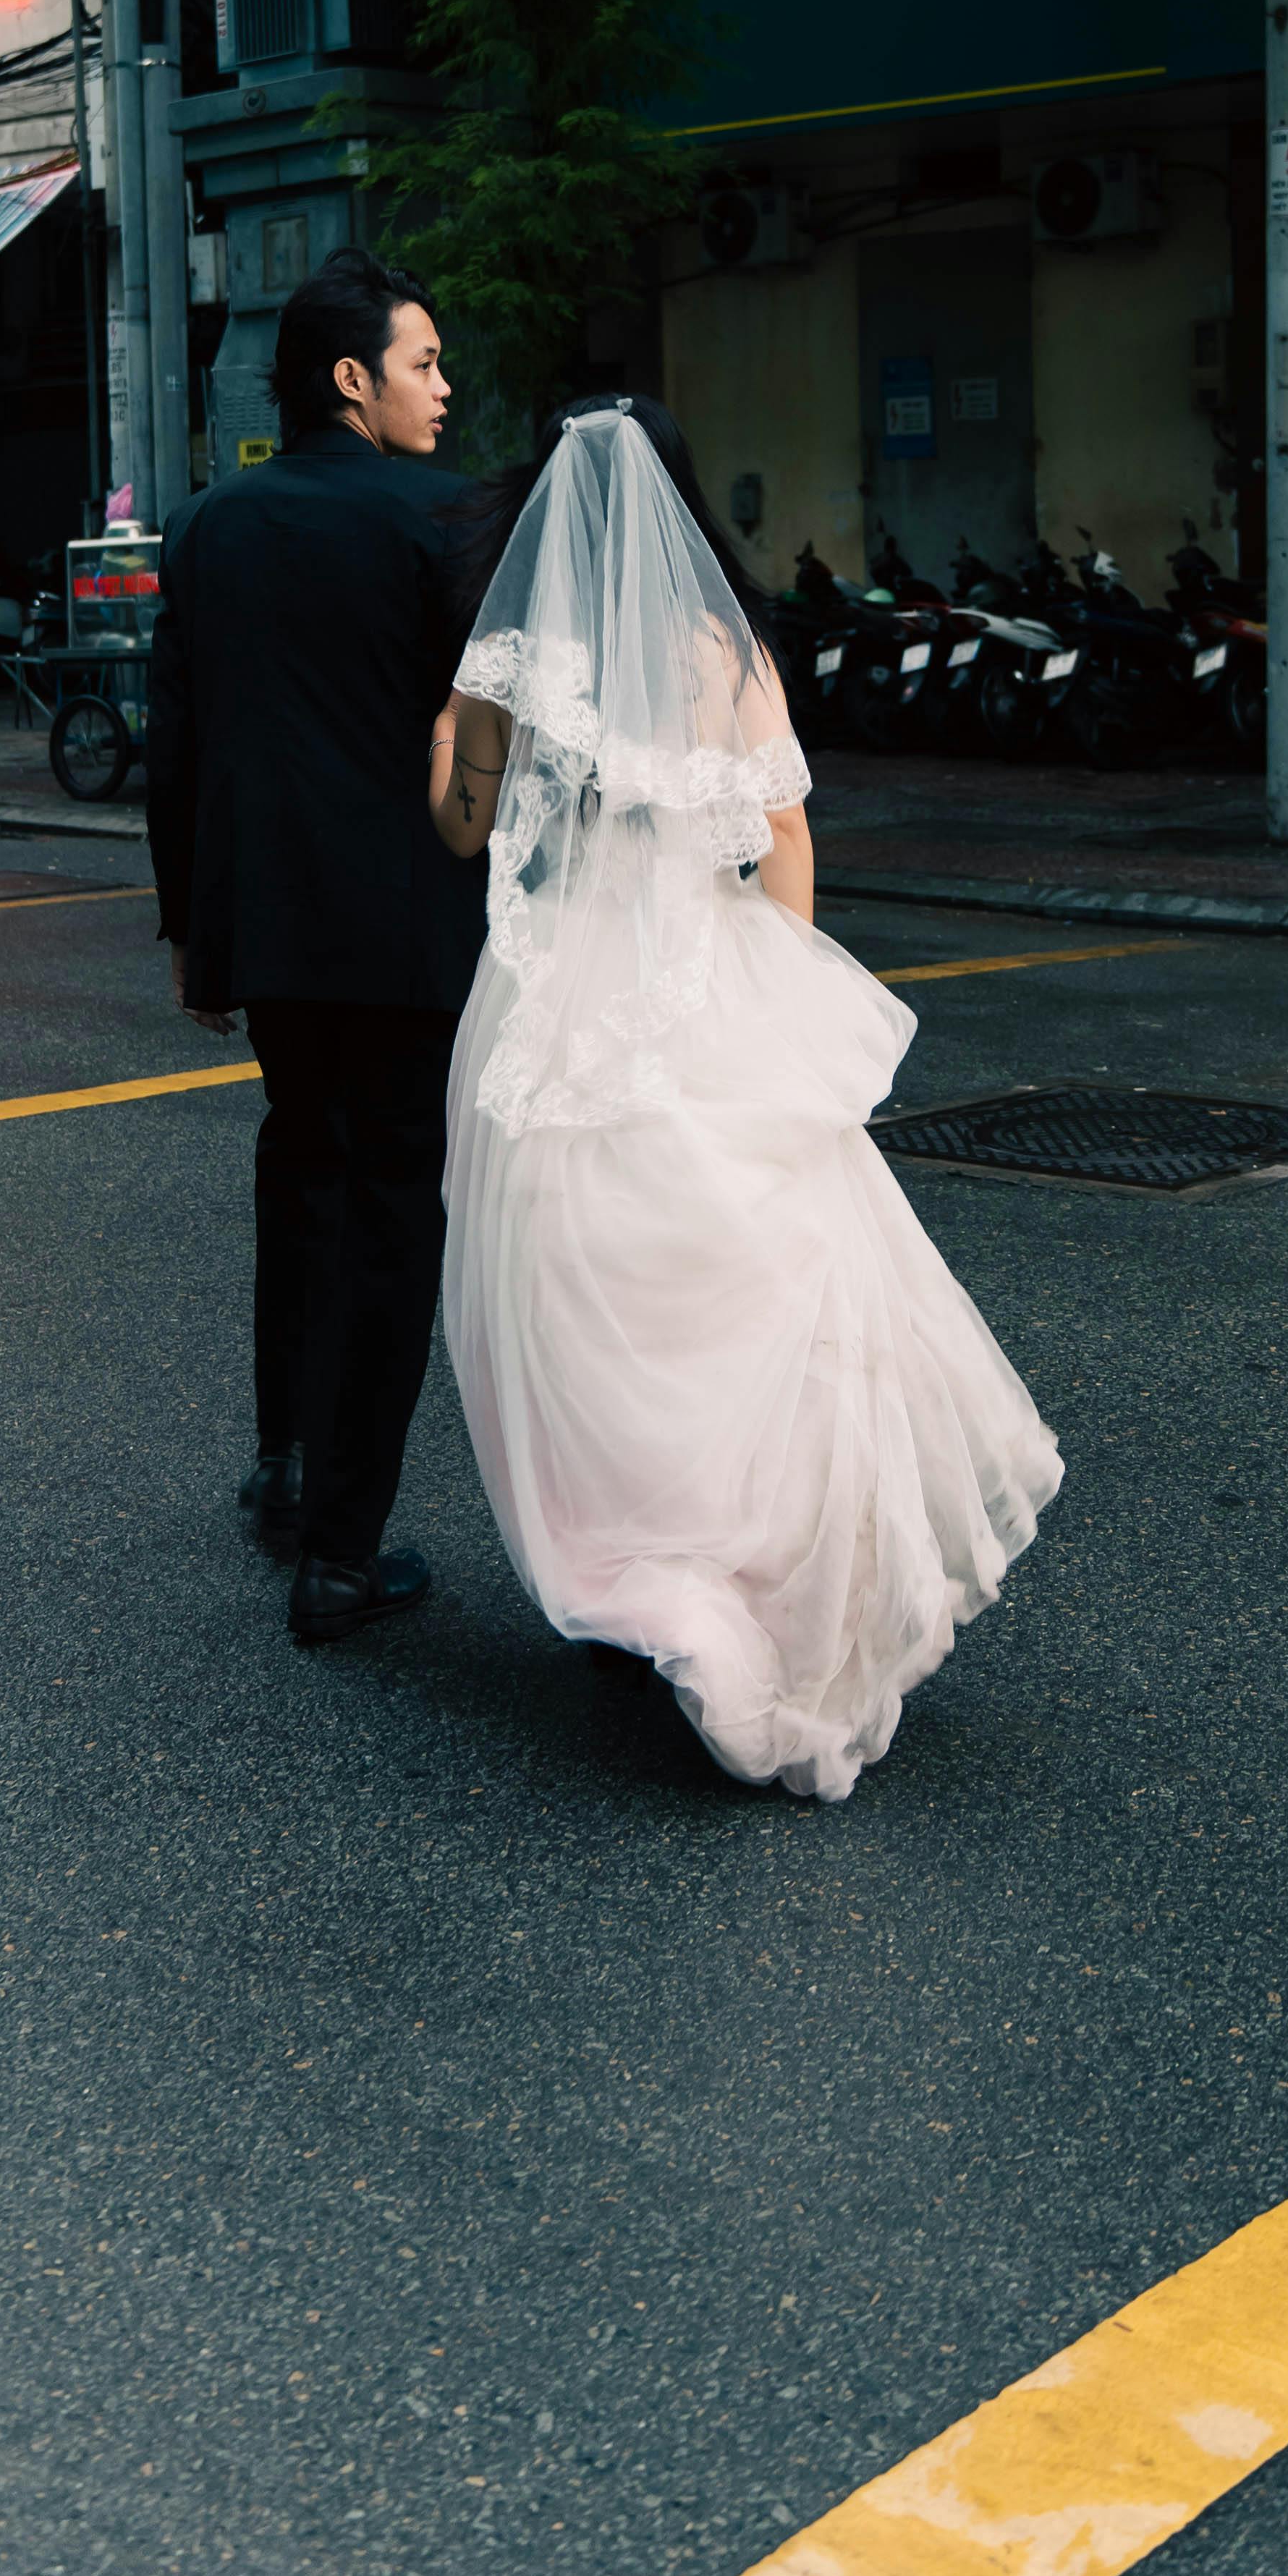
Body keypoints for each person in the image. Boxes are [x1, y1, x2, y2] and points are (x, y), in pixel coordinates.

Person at [425, 398, 1060, 1801]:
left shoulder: (513, 658)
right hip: (698, 973)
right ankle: (737, 1575)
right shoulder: (725, 649)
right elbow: (779, 833)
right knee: (748, 1293)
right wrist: (776, 974)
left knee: (569, 1296)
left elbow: (465, 829)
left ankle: (631, 1576)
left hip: (557, 996)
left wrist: (463, 735)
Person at [145, 247, 486, 1644]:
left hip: (269, 932)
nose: (445, 390)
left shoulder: (211, 525)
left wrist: (189, 926)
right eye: (424, 364)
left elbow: (181, 743)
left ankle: (286, 1464)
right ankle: (343, 1553)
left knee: (303, 1172)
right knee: (396, 1218)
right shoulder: (448, 519)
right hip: (405, 937)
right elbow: (476, 762)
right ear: (352, 380)